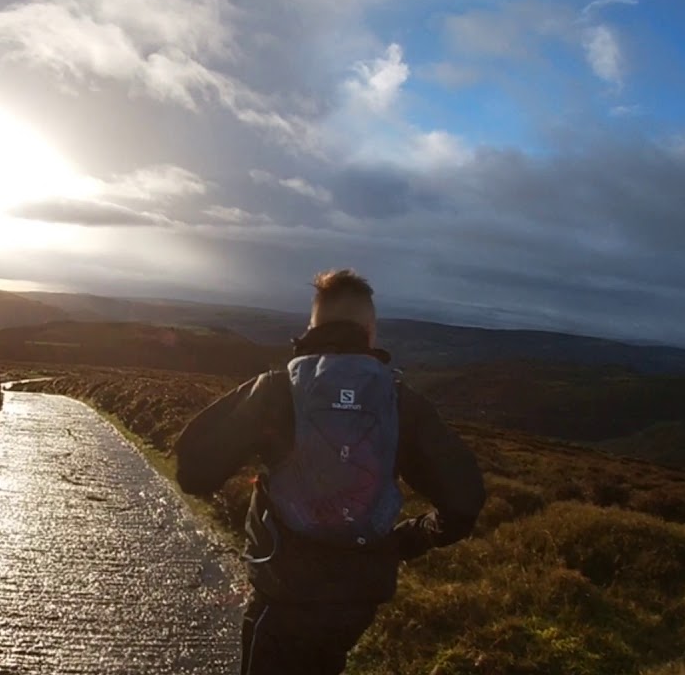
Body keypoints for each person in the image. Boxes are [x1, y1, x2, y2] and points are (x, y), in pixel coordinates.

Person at [174, 268, 486, 675]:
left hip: (284, 598)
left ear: (312, 325)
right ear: (370, 331)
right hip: (355, 604)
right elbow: (464, 502)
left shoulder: (276, 390)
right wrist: (407, 539)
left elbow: (194, 473)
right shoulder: (402, 403)